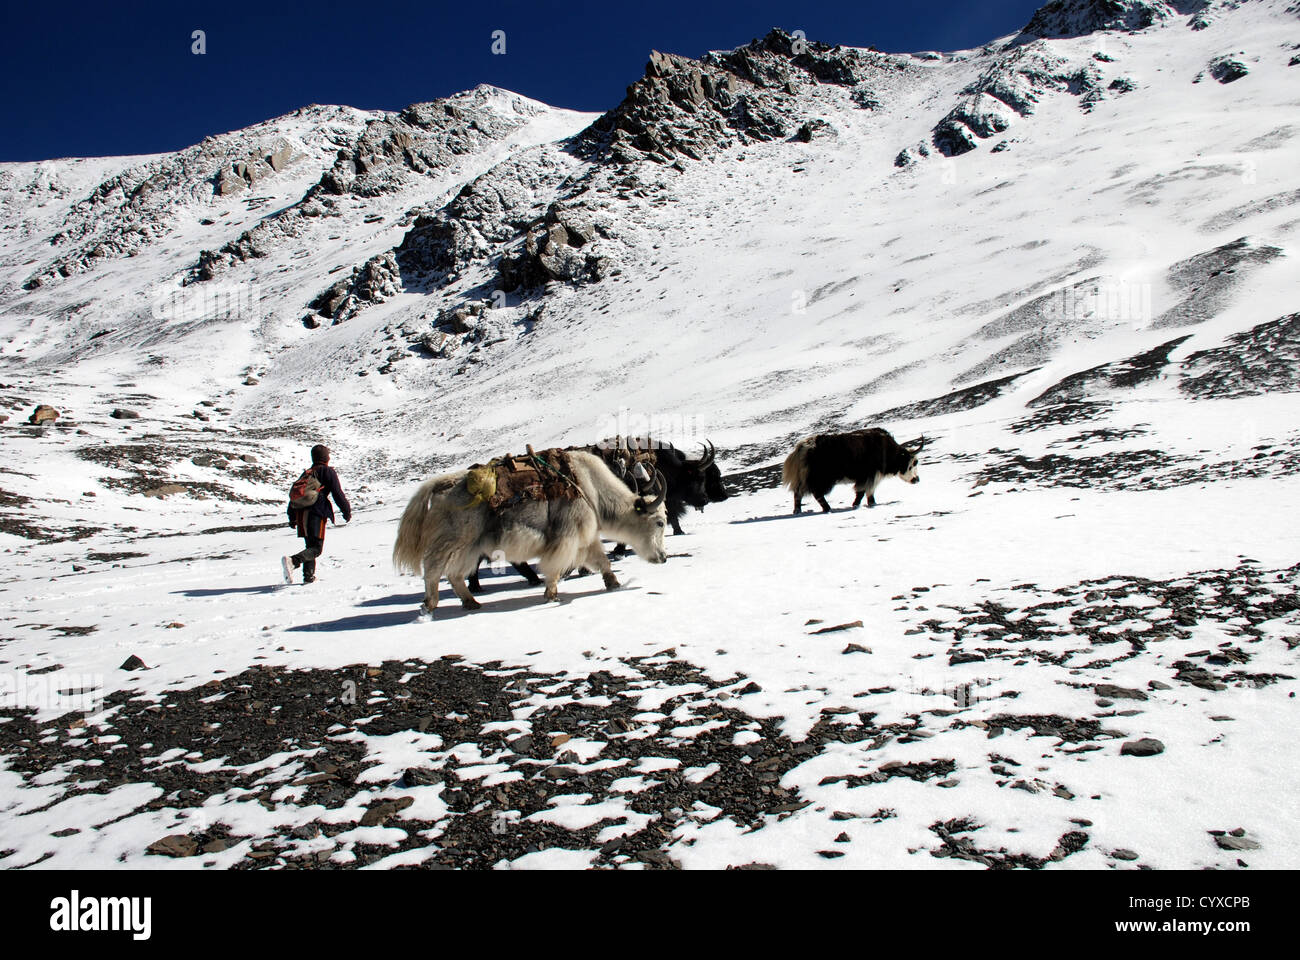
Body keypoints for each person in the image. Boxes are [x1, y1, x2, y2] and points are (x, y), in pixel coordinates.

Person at [283, 444, 351, 584]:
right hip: (316, 511)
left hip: (301, 513)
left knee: (310, 546)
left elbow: (295, 495)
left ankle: (308, 577)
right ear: (326, 457)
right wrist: (346, 511)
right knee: (316, 548)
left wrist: (292, 517)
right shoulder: (327, 471)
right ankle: (293, 561)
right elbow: (337, 493)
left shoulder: (307, 473)